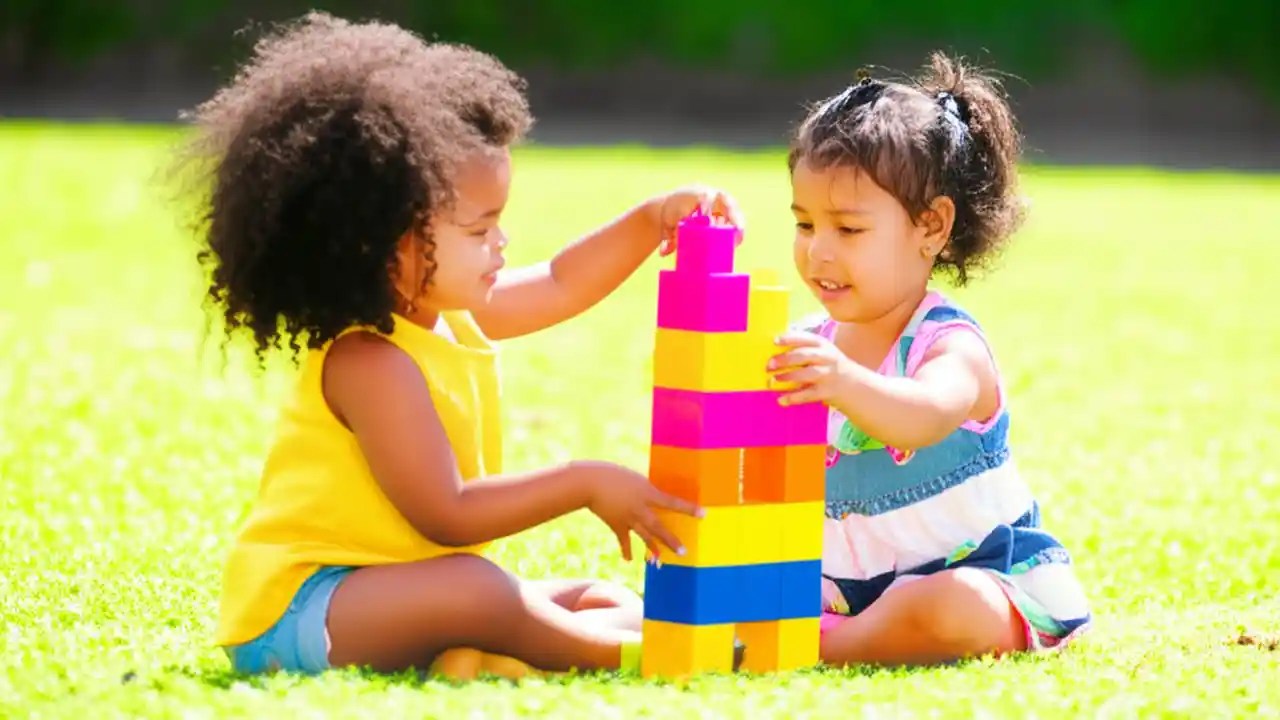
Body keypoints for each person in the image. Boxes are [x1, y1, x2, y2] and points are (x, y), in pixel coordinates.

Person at [175, 12, 743, 676]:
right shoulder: (369, 361)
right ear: (380, 244)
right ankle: (635, 655)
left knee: (591, 593)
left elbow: (561, 282)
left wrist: (652, 222)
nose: (499, 244)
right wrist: (585, 482)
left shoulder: (451, 311)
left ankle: (486, 658)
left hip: (400, 590)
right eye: (478, 230)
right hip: (302, 614)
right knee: (476, 589)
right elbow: (449, 513)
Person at [767, 53, 1092, 667]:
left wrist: (840, 381)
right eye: (805, 224)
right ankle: (825, 633)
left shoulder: (949, 345)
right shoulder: (813, 341)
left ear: (932, 226)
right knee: (746, 578)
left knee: (954, 607)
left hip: (979, 576)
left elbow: (924, 415)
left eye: (849, 230)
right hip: (849, 591)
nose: (819, 253)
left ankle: (818, 649)